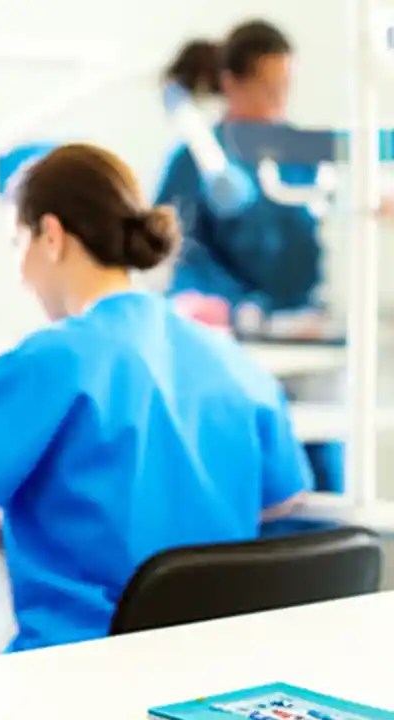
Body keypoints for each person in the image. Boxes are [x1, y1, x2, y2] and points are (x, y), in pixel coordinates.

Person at [0, 144, 311, 653]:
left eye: (17, 243)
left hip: (77, 665)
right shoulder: (231, 360)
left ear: (51, 236)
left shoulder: (54, 358)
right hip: (210, 669)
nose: (20, 273)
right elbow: (284, 498)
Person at [156, 20, 342, 492]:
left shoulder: (301, 149)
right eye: (267, 88)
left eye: (286, 88)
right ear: (230, 84)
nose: (279, 102)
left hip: (304, 339)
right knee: (242, 474)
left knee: (323, 474)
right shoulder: (197, 158)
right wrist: (238, 312)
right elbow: (179, 257)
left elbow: (331, 212)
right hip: (235, 345)